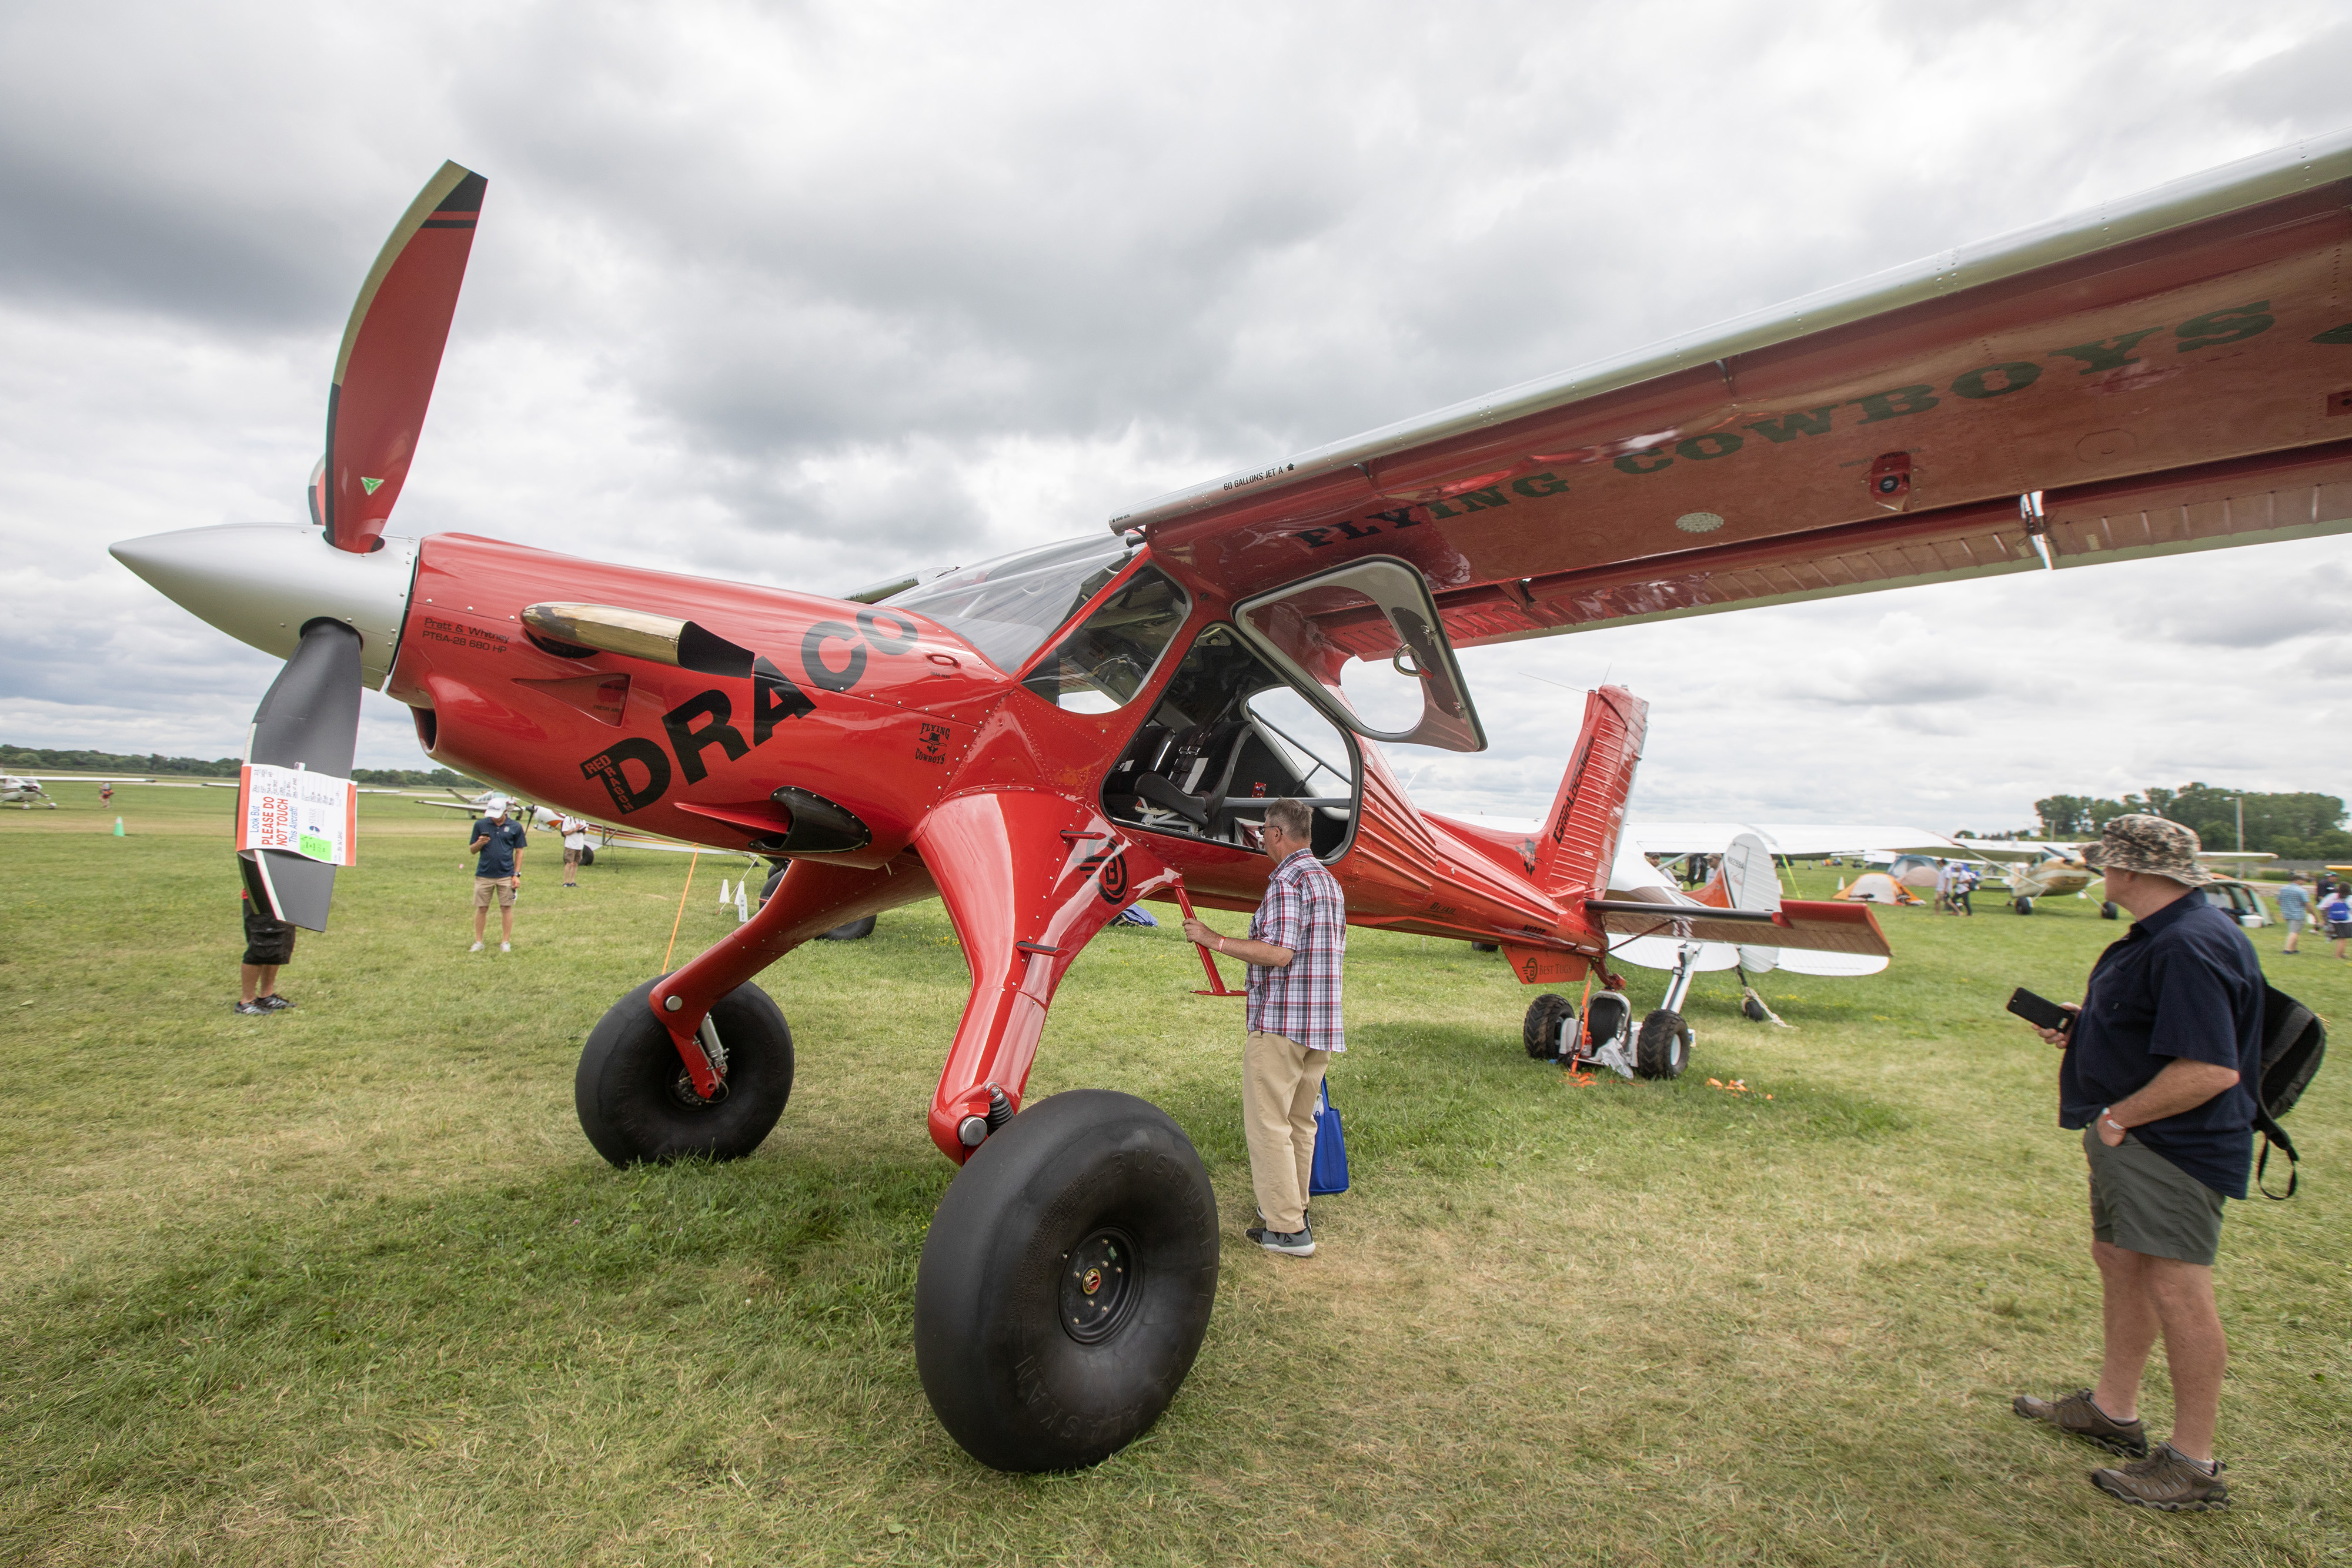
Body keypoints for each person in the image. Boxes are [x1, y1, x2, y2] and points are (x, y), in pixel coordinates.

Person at [2011, 814, 2261, 1513]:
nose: (2101, 872)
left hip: (2168, 1147)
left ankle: (2192, 1464)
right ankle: (2113, 1411)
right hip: (2143, 1143)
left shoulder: (2188, 944)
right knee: (2119, 1261)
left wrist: (2121, 1119)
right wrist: (2085, 1024)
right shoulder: (2167, 935)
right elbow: (2161, 1030)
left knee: (2177, 1289)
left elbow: (2211, 1069)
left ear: (2133, 872)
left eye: (2109, 863)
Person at [1180, 798, 1345, 1259]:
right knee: (1298, 1123)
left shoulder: (1288, 880)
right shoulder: (1329, 882)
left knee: (1268, 1124)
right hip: (1321, 1025)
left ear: (1276, 834)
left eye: (1262, 833)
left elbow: (1279, 952)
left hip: (1281, 1025)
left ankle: (1288, 1230)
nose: (1260, 840)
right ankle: (1295, 1208)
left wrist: (1214, 939)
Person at [468, 795, 529, 952]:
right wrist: (479, 843)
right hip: (484, 874)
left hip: (506, 875)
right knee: (482, 908)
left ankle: (505, 942)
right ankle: (479, 942)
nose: (494, 819)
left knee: (506, 907)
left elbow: (519, 851)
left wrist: (516, 874)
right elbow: (472, 850)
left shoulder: (515, 827)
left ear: (505, 812)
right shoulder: (480, 824)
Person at [235, 878, 296, 1015]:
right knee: (261, 946)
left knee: (278, 945)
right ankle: (246, 1002)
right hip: (260, 896)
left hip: (283, 893)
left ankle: (266, 996)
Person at [2274, 873, 2310, 954]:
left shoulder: (2283, 889)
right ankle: (2288, 949)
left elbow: (2278, 901)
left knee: (2293, 930)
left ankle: (2294, 949)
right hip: (2298, 914)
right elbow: (2307, 903)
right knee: (2294, 932)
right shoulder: (2302, 891)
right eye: (2303, 880)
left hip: (2286, 913)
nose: (2304, 882)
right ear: (2298, 881)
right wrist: (2312, 913)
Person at [558, 814, 590, 887]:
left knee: (576, 863)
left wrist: (583, 830)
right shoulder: (568, 819)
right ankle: (565, 882)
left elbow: (585, 832)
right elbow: (565, 832)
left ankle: (572, 881)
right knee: (569, 863)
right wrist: (575, 829)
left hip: (579, 844)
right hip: (570, 845)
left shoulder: (582, 819)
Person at [2325, 884, 2352, 961]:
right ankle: (2338, 956)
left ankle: (2342, 953)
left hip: (2334, 920)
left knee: (2342, 937)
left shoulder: (2333, 896)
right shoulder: (2350, 898)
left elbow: (2322, 906)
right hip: (2347, 920)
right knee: (2342, 938)